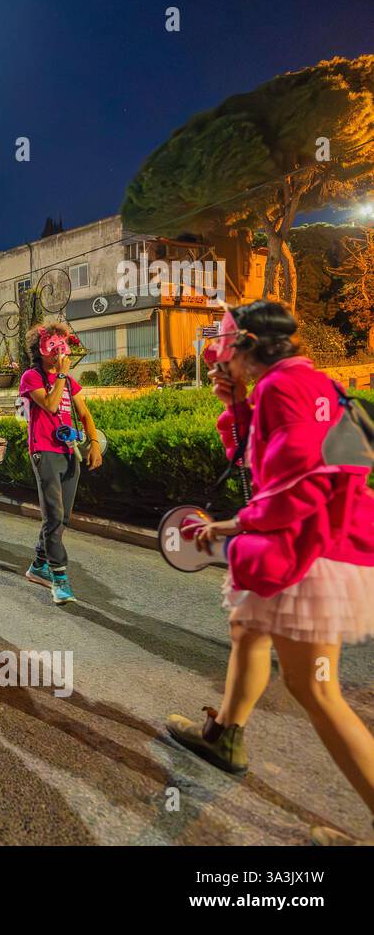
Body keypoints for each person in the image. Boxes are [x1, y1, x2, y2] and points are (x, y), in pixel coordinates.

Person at [163, 301, 374, 846]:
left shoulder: (282, 388)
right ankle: (225, 735)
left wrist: (230, 526)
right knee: (247, 629)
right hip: (326, 541)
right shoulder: (305, 382)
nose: (217, 357)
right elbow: (276, 462)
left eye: (224, 346)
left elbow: (296, 488)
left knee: (315, 687)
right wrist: (233, 409)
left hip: (311, 549)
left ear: (246, 345)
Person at [18, 323, 102, 604]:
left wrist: (94, 443)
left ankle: (39, 565)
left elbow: (85, 413)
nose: (59, 352)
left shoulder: (69, 381)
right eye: (53, 347)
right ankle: (59, 579)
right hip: (45, 451)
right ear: (40, 350)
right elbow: (51, 405)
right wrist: (62, 375)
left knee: (62, 517)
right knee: (53, 516)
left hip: (69, 451)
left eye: (62, 346)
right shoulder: (32, 377)